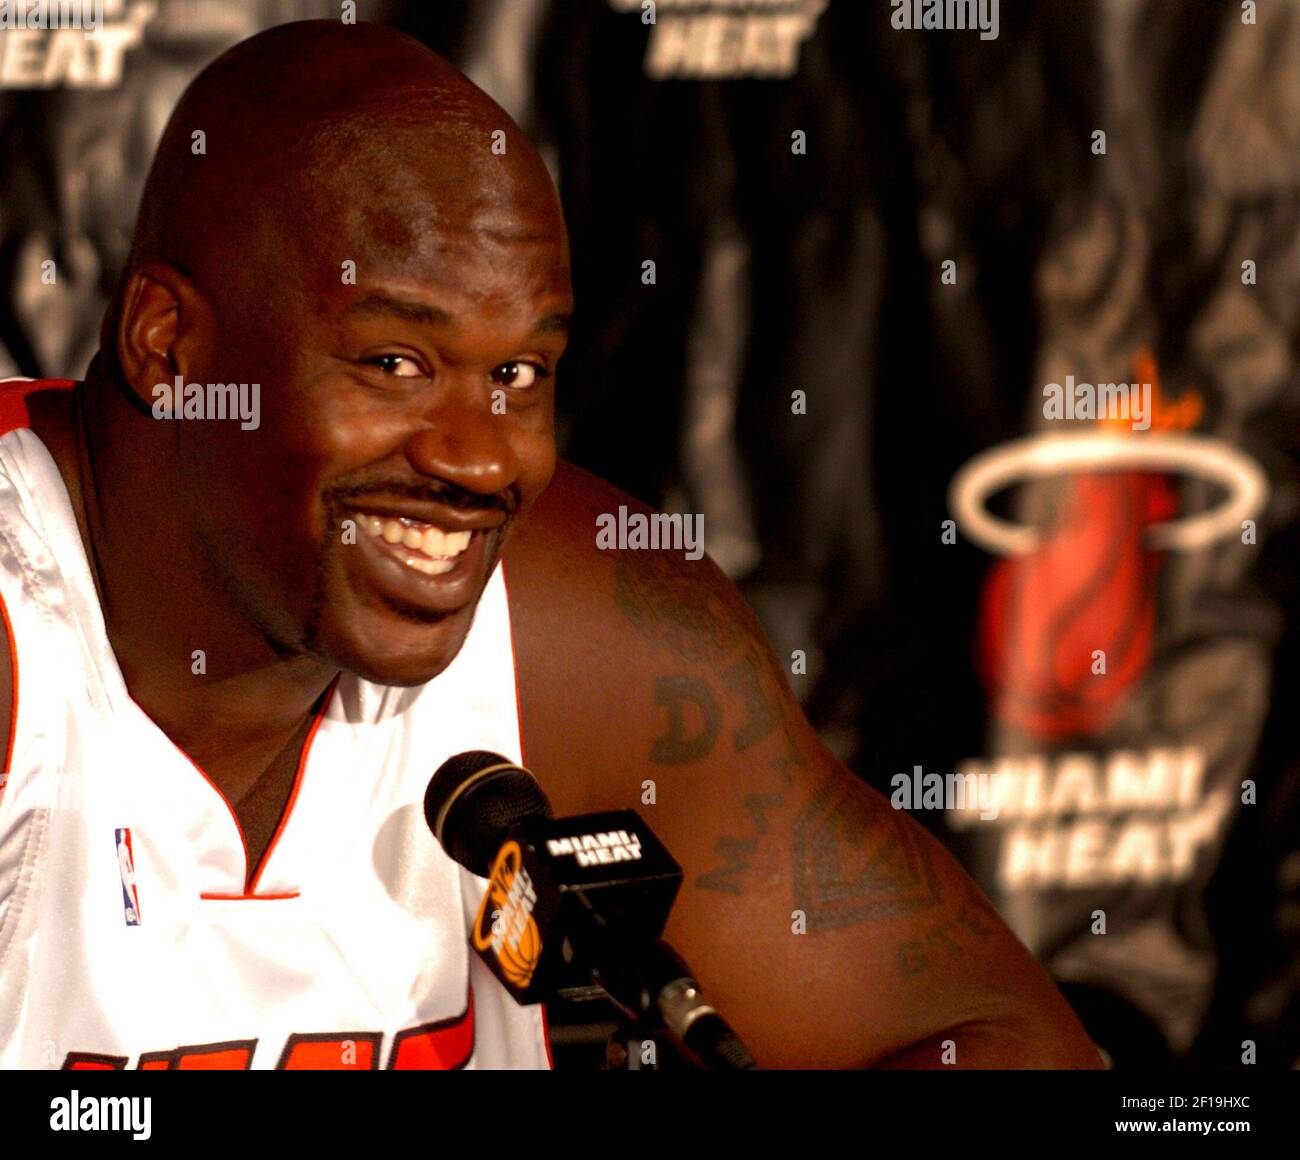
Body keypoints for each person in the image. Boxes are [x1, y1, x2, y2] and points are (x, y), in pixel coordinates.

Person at [0, 20, 1100, 1069]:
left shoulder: (581, 622)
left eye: (518, 373)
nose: (483, 460)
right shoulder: (23, 638)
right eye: (394, 362)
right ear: (169, 345)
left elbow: (1000, 1036)